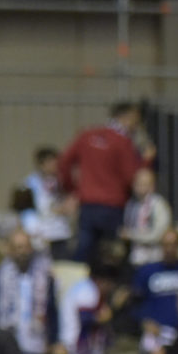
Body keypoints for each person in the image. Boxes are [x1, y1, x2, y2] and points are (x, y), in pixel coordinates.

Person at [56, 100, 148, 262]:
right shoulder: (123, 142)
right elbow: (131, 177)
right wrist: (147, 161)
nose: (136, 126)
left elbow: (64, 163)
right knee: (112, 255)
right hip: (113, 207)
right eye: (135, 121)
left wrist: (73, 190)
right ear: (126, 117)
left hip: (88, 205)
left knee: (84, 253)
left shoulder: (87, 135)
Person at [119, 167, 173, 266]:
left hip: (154, 258)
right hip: (135, 258)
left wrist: (132, 235)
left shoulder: (159, 204)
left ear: (152, 186)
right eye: (138, 183)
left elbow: (159, 234)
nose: (140, 187)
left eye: (144, 184)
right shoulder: (131, 205)